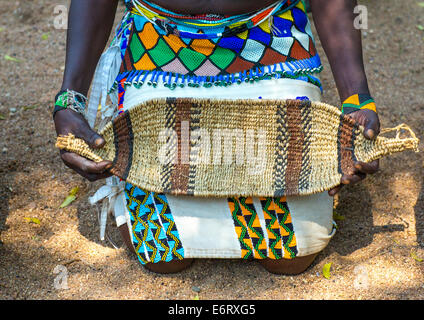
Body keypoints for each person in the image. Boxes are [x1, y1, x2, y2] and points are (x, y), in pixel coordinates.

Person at [54, 0, 380, 275]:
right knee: (162, 251)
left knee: (291, 254)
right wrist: (70, 101)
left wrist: (356, 98)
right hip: (158, 53)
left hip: (271, 46)